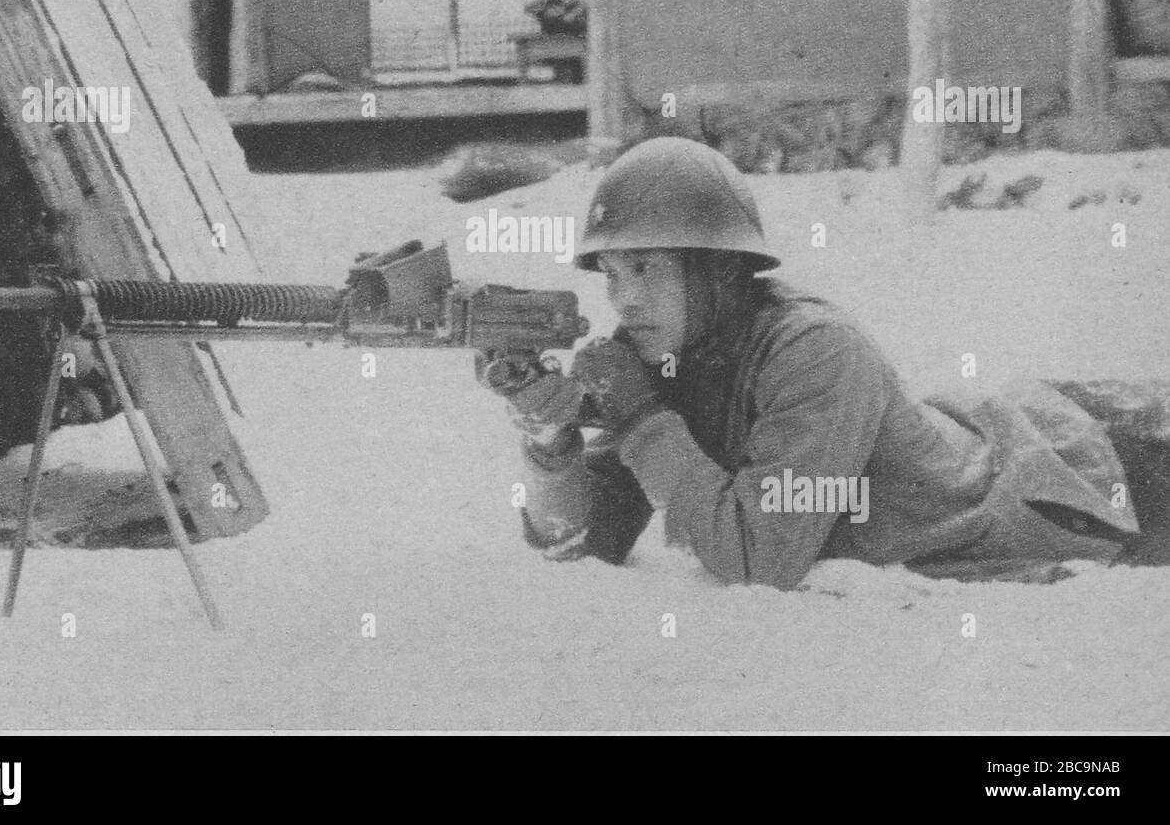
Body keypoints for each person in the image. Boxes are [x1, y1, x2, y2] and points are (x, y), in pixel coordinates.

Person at [494, 136, 1168, 587]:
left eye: (646, 267)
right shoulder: (669, 351)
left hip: (1094, 464)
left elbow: (759, 557)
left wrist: (641, 416)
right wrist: (552, 441)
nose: (624, 296)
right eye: (611, 273)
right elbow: (585, 541)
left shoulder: (815, 350)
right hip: (1023, 434)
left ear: (721, 269)